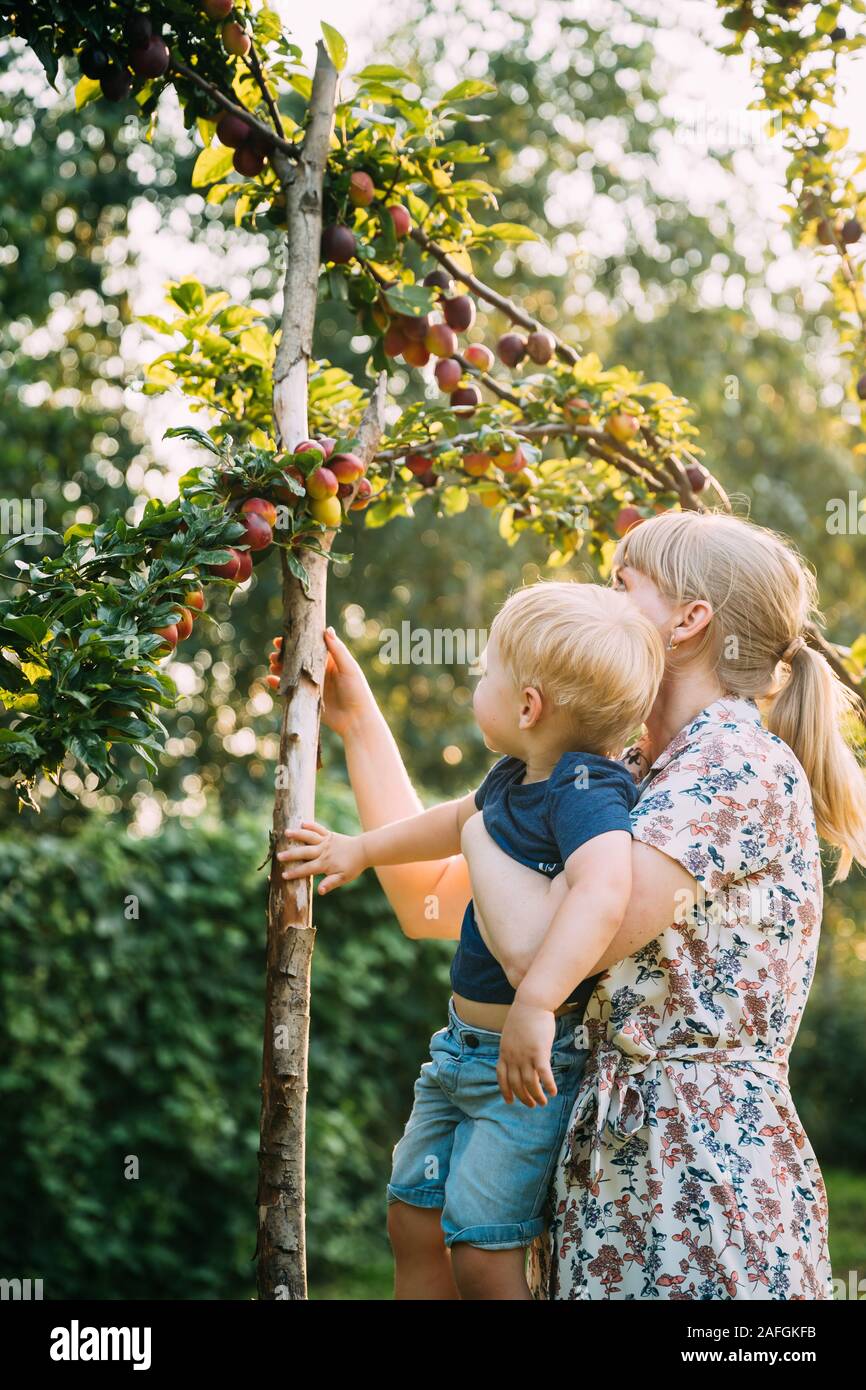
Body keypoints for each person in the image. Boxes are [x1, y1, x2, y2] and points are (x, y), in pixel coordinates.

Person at [268, 508, 866, 1299]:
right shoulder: (614, 770)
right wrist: (356, 719)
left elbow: (537, 949)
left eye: (623, 584)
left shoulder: (733, 765)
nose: (601, 598)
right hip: (607, 1165)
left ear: (690, 621)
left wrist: (478, 827)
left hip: (695, 1182)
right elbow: (436, 906)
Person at [276, 581, 664, 1299]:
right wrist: (360, 850)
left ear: (528, 705)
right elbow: (455, 817)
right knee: (411, 1218)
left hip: (523, 1065)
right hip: (458, 1047)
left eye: (486, 672)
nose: (474, 684)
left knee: (484, 1253)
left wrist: (539, 1003)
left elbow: (604, 889)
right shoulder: (513, 777)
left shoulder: (587, 791)